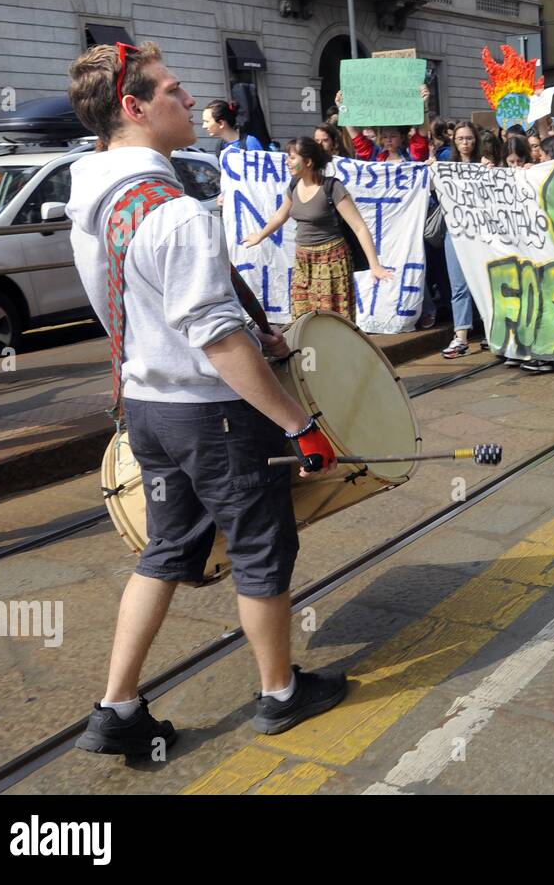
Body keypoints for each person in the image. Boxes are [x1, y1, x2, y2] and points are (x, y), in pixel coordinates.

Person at [65, 41, 346, 754]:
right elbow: (218, 343)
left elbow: (135, 312)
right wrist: (298, 422)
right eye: (173, 91)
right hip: (210, 410)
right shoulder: (181, 216)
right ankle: (280, 693)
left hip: (144, 410)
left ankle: (117, 705)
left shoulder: (91, 212)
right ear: (133, 107)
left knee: (166, 550)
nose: (192, 101)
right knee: (260, 547)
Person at [242, 137, 393, 319]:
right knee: (303, 317)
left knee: (331, 319)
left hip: (331, 261)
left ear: (308, 161)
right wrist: (259, 236)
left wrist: (374, 265)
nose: (287, 162)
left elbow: (359, 227)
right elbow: (280, 216)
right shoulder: (294, 185)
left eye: (291, 157)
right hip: (303, 261)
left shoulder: (332, 187)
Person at [441, 121, 482, 359]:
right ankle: (461, 337)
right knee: (459, 286)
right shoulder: (446, 166)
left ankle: (491, 330)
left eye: (469, 138)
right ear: (454, 142)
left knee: (485, 281)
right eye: (460, 139)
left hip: (481, 233)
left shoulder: (484, 164)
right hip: (455, 233)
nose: (465, 143)